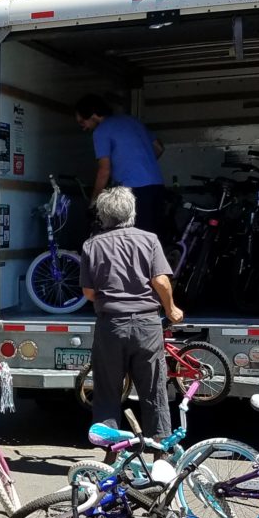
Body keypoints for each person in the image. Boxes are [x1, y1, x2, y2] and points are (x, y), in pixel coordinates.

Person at [80, 186, 185, 439]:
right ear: (132, 212)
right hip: (146, 325)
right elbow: (161, 281)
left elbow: (88, 293)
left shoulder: (92, 245)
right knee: (153, 390)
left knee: (107, 390)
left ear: (103, 215)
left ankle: (110, 453)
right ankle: (160, 453)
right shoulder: (149, 240)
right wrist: (171, 310)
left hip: (110, 326)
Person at [75, 93, 167, 236]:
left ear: (93, 115)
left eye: (82, 123)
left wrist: (93, 202)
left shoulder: (101, 131)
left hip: (134, 191)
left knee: (132, 239)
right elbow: (159, 148)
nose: (84, 128)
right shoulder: (132, 121)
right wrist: (140, 164)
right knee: (152, 238)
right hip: (157, 186)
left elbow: (104, 171)